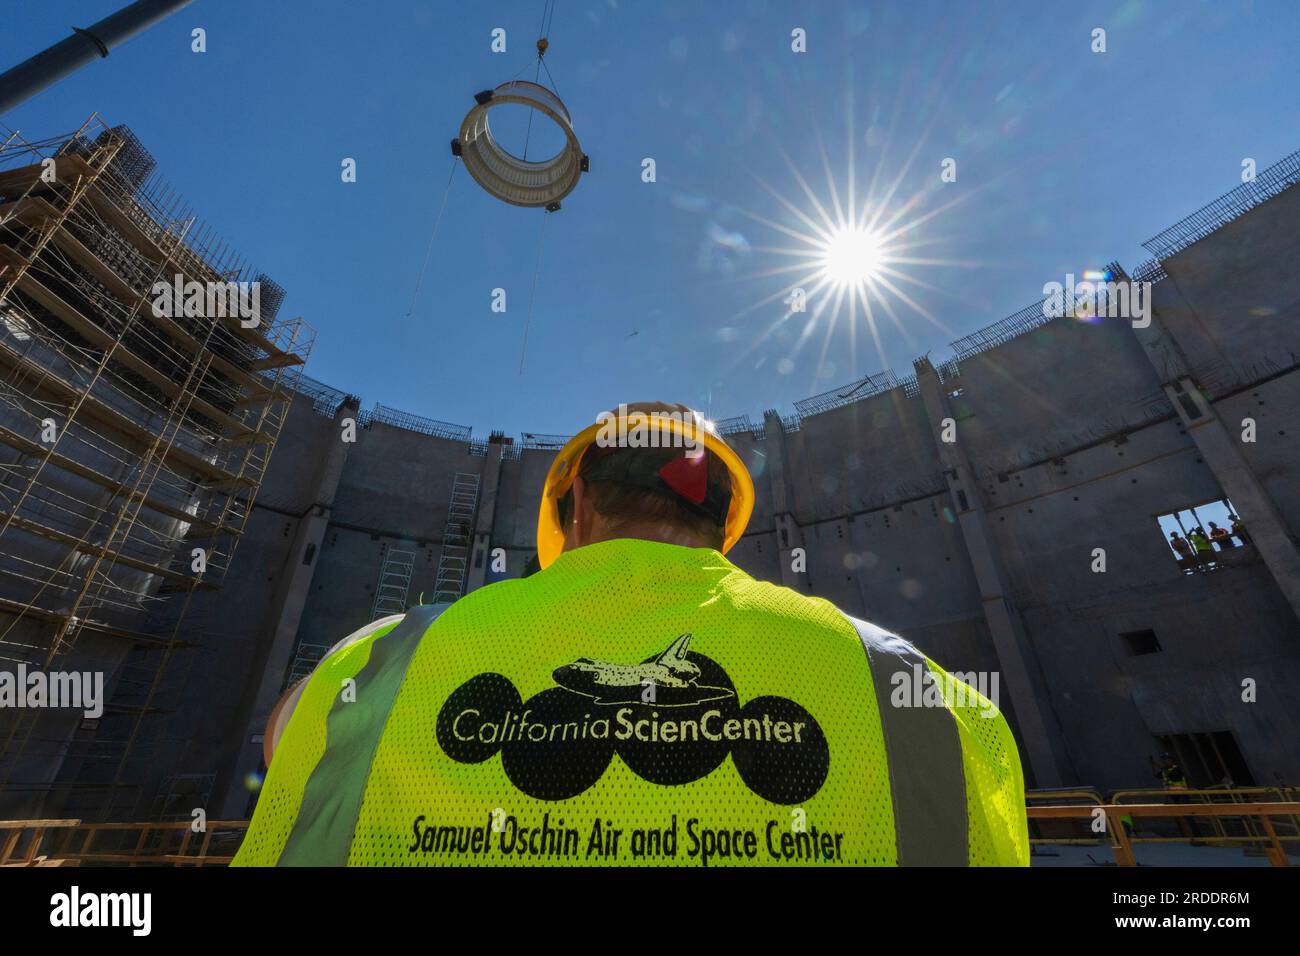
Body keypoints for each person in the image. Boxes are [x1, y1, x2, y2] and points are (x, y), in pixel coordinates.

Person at [232, 402, 1028, 867]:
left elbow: (287, 740)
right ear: (721, 524)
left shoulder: (381, 658)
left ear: (575, 508)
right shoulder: (911, 685)